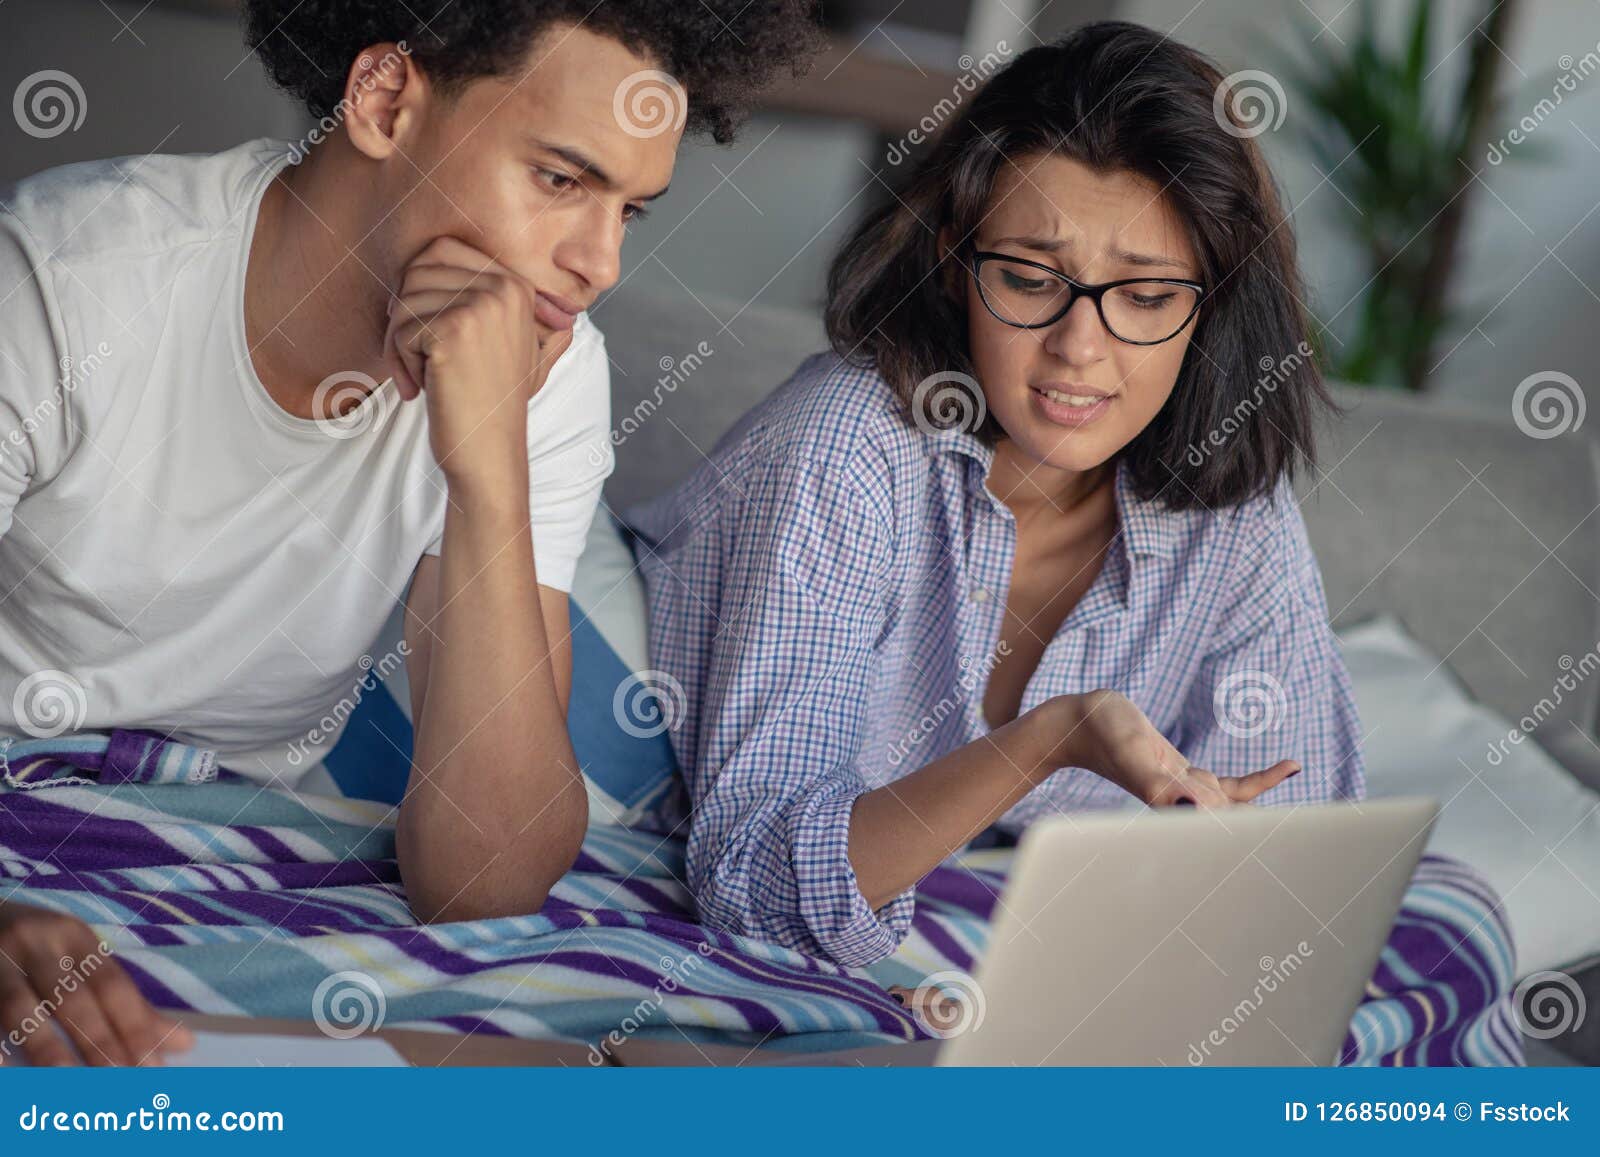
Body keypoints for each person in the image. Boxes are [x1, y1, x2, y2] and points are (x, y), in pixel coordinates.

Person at [0, 0, 820, 1065]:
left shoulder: (551, 368)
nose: (598, 263)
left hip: (224, 842)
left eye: (631, 211)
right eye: (561, 180)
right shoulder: (64, 282)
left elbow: (484, 882)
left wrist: (486, 476)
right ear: (384, 101)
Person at [627, 22, 1359, 968]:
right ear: (951, 261)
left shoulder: (1236, 519)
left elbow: (1300, 873)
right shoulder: (843, 447)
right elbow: (756, 884)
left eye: (1143, 297)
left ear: (1210, 305)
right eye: (1026, 278)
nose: (1079, 349)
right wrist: (1050, 740)